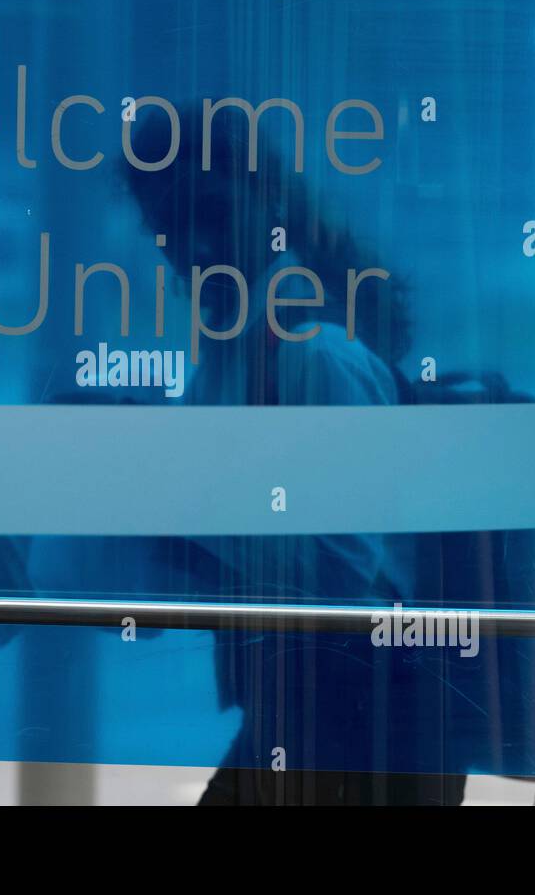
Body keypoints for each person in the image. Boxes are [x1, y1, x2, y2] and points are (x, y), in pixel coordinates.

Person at [118, 106, 464, 804]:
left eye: (210, 214)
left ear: (268, 198)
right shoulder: (233, 352)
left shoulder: (314, 353)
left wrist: (185, 532)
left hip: (368, 731)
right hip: (306, 714)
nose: (188, 245)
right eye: (167, 227)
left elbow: (344, 570)